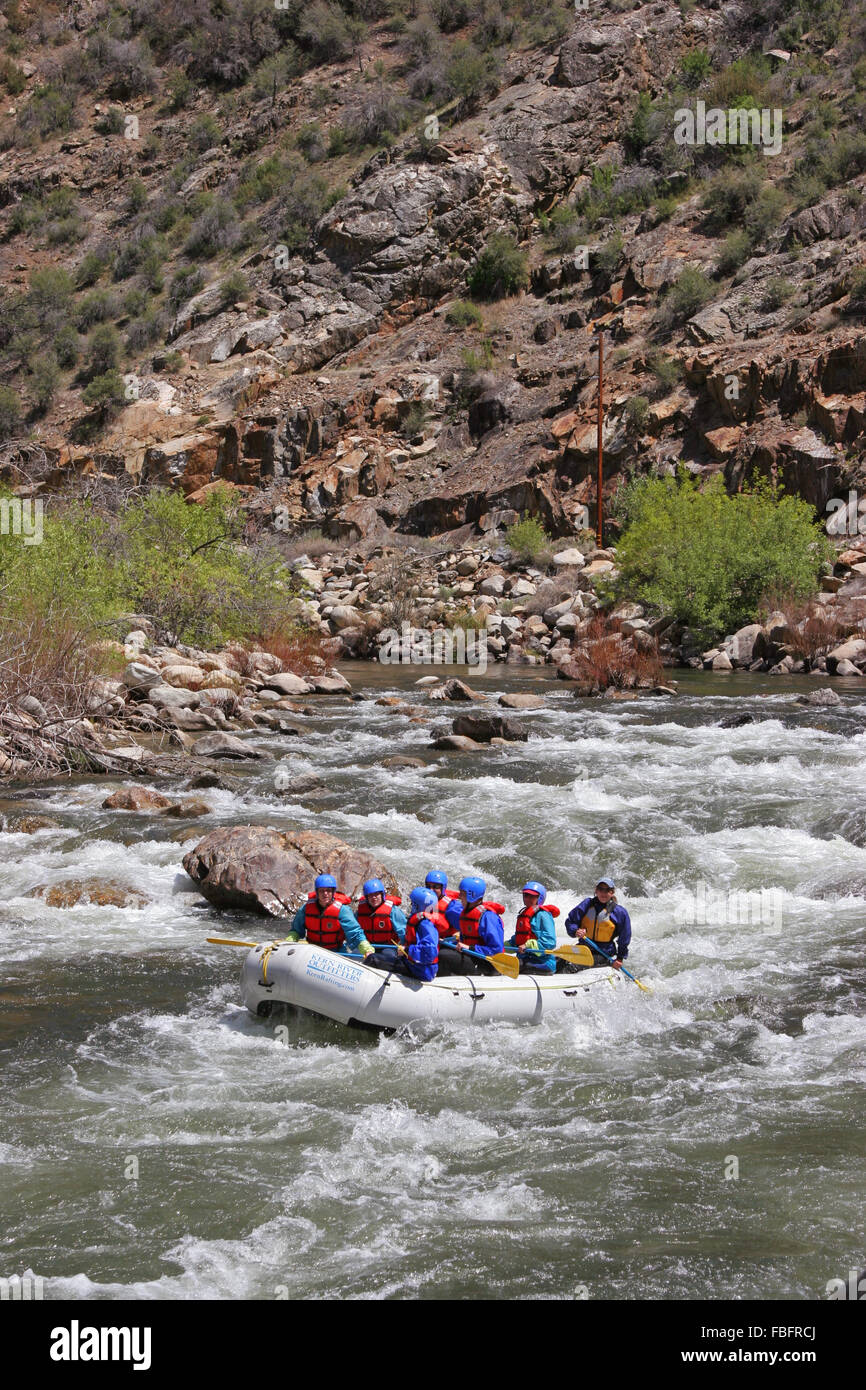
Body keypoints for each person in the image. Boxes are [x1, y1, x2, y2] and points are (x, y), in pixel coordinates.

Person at [284, 874, 374, 957]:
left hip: (336, 951)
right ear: (317, 892)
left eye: (328, 890)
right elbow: (296, 930)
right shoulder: (306, 908)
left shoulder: (342, 910)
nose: (325, 894)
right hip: (312, 950)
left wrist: (366, 949)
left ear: (333, 892)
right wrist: (289, 941)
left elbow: (355, 933)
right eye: (322, 891)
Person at [366, 887, 439, 981]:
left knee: (373, 959)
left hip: (420, 970)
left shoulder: (425, 925)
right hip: (413, 964)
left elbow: (430, 952)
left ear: (418, 906)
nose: (411, 905)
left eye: (413, 903)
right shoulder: (421, 922)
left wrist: (408, 950)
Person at [438, 876, 505, 976]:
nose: (459, 897)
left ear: (472, 895)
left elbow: (496, 950)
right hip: (472, 957)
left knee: (443, 955)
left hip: (486, 963)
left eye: (462, 894)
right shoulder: (466, 913)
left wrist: (470, 948)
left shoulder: (488, 917)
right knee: (440, 947)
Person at [565, 875, 631, 969]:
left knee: (572, 967)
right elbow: (571, 921)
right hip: (584, 948)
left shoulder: (620, 912)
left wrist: (619, 958)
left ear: (612, 892)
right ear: (596, 890)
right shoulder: (587, 904)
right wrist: (575, 930)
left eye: (607, 890)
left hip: (603, 953)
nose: (603, 893)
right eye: (601, 889)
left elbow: (624, 938)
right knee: (558, 962)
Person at [509, 881, 559, 975]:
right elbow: (519, 938)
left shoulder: (543, 915)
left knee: (521, 965)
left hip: (543, 962)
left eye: (532, 896)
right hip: (525, 959)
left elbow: (550, 942)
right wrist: (504, 945)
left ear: (540, 898)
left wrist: (528, 945)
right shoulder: (523, 915)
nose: (527, 898)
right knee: (512, 963)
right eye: (526, 895)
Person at [356, 879, 407, 956]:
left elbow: (403, 932)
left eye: (376, 894)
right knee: (354, 955)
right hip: (367, 946)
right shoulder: (360, 912)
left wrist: (404, 946)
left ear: (382, 894)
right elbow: (354, 930)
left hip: (387, 947)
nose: (374, 897)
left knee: (388, 956)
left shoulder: (393, 911)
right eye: (370, 895)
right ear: (366, 897)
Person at [424, 869, 460, 936]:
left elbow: (464, 926)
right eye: (428, 886)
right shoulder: (422, 898)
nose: (431, 890)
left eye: (435, 887)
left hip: (447, 940)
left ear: (443, 888)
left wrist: (458, 933)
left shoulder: (452, 906)